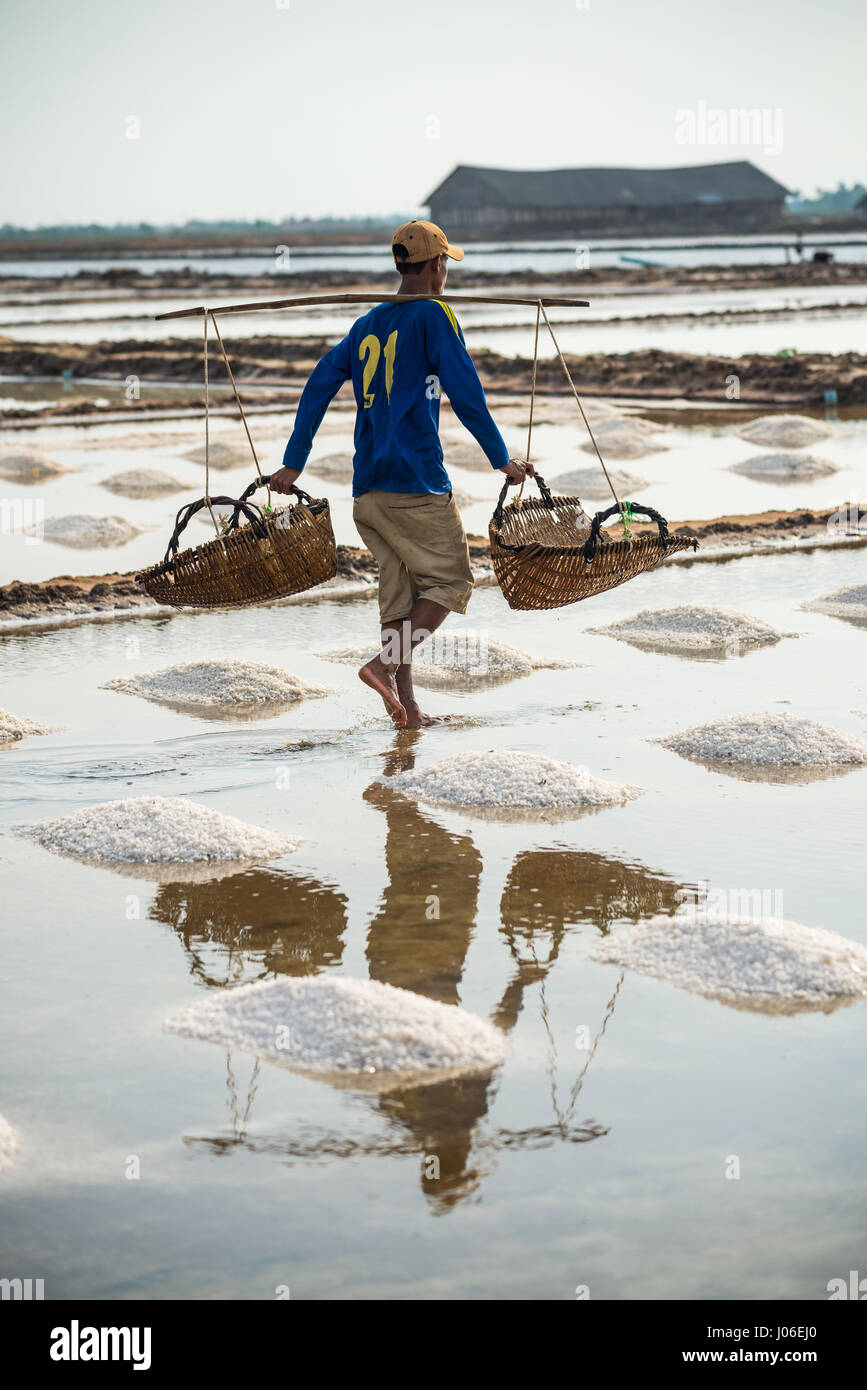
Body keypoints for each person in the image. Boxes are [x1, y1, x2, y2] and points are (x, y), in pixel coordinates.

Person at [269, 219, 532, 729]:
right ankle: (381, 667)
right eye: (445, 263)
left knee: (402, 601)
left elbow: (317, 385)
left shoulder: (366, 324)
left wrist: (294, 460)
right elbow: (468, 395)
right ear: (436, 265)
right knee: (454, 581)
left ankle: (406, 711)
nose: (446, 271)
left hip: (367, 492)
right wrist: (501, 458)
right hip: (417, 484)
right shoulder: (435, 316)